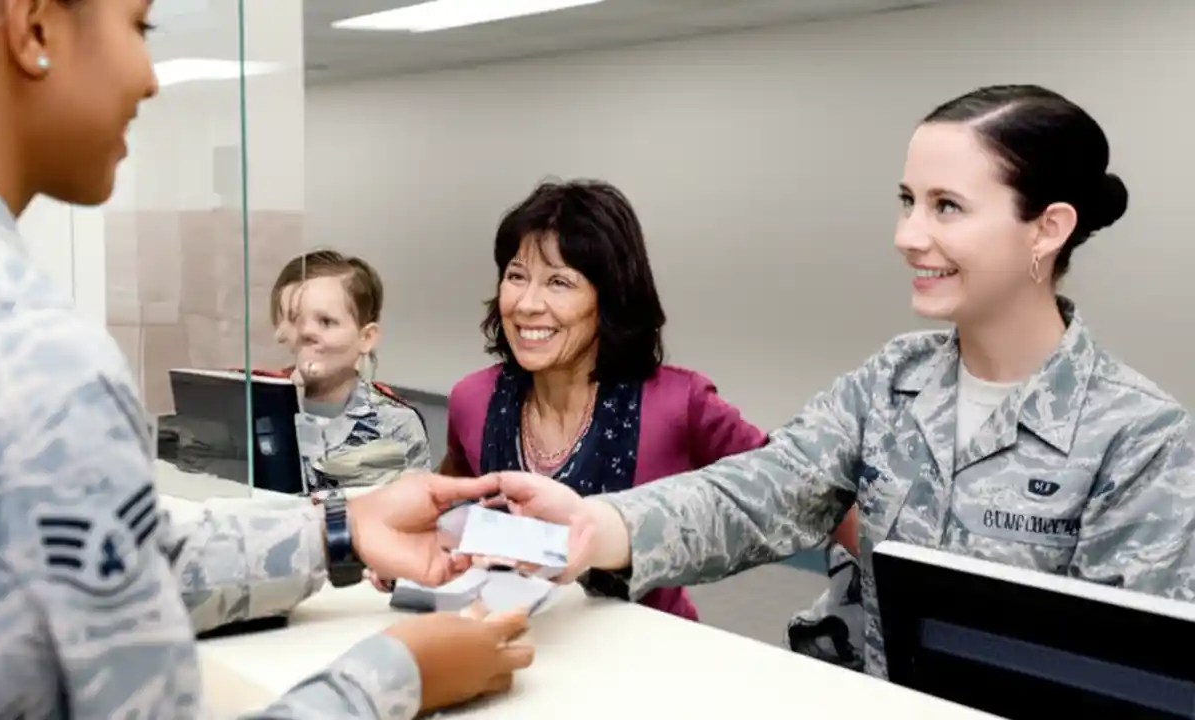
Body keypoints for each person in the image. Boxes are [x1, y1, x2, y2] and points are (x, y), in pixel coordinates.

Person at [0, 1, 531, 717]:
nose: (149, 79)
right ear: (35, 28)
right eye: (139, 27)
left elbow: (81, 562)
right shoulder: (21, 359)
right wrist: (395, 678)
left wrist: (341, 528)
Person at [482, 84, 1195, 679]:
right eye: (907, 200)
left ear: (1048, 229)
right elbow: (760, 491)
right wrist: (593, 524)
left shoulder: (1139, 439)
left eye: (946, 206)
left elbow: (1128, 677)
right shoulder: (890, 382)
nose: (908, 234)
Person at [419, 179, 764, 621]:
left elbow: (794, 485)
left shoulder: (680, 403)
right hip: (515, 644)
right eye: (516, 276)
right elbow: (452, 507)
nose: (526, 304)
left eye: (559, 282)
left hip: (647, 653)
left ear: (610, 296)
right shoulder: (474, 399)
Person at [268, 250, 433, 488]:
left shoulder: (395, 424)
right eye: (295, 320)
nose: (306, 332)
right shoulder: (257, 409)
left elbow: (413, 513)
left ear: (366, 337)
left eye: (326, 321)